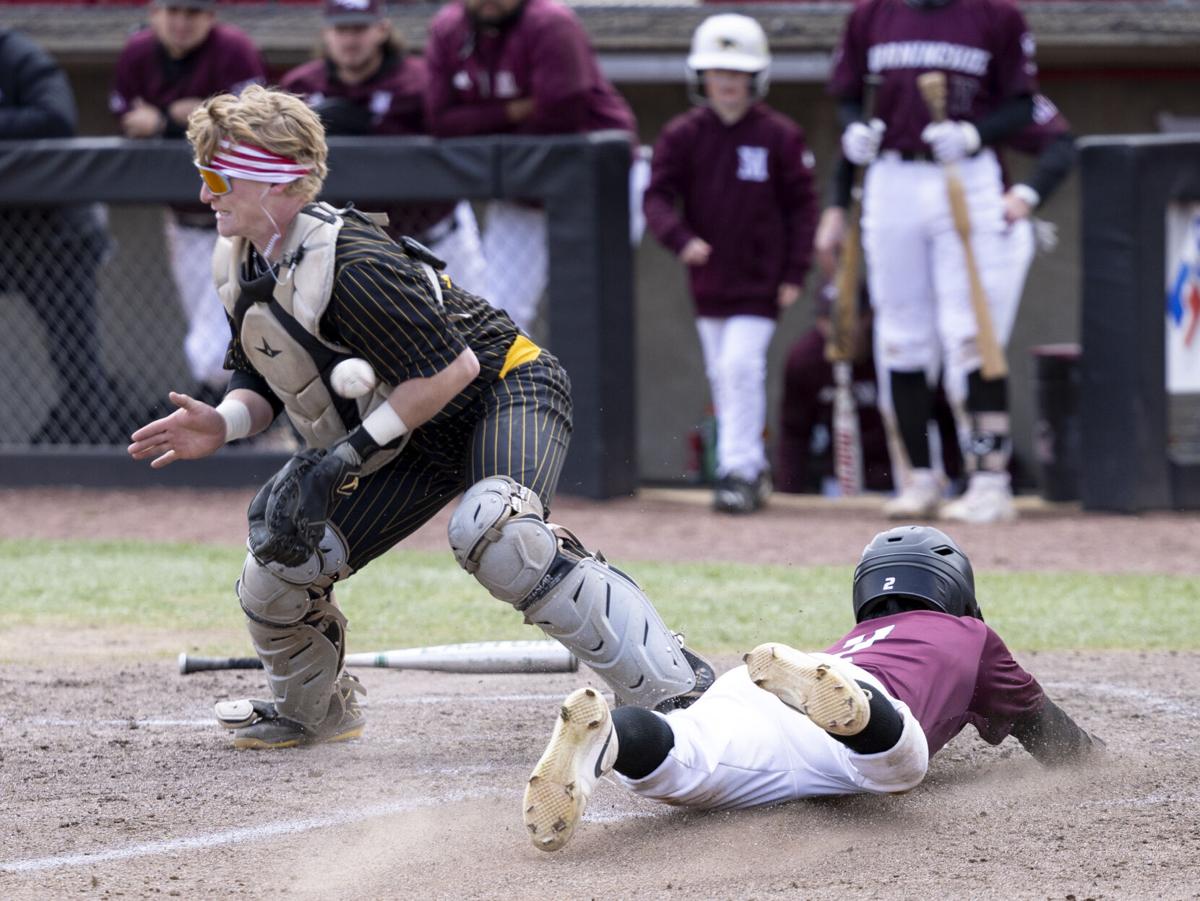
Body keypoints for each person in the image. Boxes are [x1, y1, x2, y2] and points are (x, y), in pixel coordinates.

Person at [125, 85, 713, 749]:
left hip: (502, 387)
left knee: (496, 533)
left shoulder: (352, 260)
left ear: (276, 182)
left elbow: (452, 370)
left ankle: (678, 689)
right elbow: (260, 371)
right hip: (407, 426)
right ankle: (315, 709)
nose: (205, 195)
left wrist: (342, 457)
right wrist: (226, 422)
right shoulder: (242, 259)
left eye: (217, 176)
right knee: (278, 566)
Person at [522, 525, 1103, 852]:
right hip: (849, 703)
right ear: (955, 590)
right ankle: (858, 713)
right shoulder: (970, 634)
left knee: (679, 757)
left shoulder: (856, 636)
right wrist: (1097, 763)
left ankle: (611, 737)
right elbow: (1050, 736)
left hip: (755, 691)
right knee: (900, 765)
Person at [823, 0, 1040, 522]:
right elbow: (848, 95)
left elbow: (1022, 105)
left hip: (963, 173)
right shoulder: (870, 14)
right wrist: (855, 130)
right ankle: (919, 477)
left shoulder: (996, 15)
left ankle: (990, 479)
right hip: (892, 176)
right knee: (902, 335)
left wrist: (973, 134)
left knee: (971, 331)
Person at [809, 91, 1074, 513]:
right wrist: (837, 204)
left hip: (981, 226)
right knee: (901, 347)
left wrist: (1025, 195)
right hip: (907, 221)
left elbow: (1059, 139)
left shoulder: (986, 76)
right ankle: (918, 479)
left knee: (968, 352)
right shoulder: (891, 73)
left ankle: (989, 482)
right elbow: (862, 144)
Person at [643, 14, 818, 514]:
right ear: (702, 77)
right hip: (708, 283)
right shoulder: (682, 135)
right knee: (723, 372)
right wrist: (681, 241)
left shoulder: (780, 136)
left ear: (756, 77)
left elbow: (803, 208)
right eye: (718, 72)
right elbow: (656, 197)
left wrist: (794, 273)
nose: (727, 83)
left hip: (761, 283)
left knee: (741, 365)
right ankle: (748, 469)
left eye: (737, 73)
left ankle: (737, 469)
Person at [423, 0, 638, 334]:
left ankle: (583, 388)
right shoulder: (449, 28)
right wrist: (512, 111)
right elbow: (439, 120)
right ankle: (516, 387)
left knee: (590, 310)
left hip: (595, 183)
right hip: (520, 190)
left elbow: (558, 113)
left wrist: (480, 121)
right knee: (499, 314)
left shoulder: (551, 22)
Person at [111, 0, 266, 406]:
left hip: (246, 224)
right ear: (153, 12)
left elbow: (253, 127)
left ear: (211, 16)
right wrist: (183, 116)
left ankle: (250, 420)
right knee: (211, 345)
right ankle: (243, 425)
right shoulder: (138, 53)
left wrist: (166, 122)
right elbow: (126, 120)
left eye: (193, 12)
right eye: (172, 10)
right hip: (183, 222)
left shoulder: (234, 50)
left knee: (222, 346)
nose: (181, 22)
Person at [280, 0, 488, 296]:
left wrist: (381, 127)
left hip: (435, 236)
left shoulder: (419, 81)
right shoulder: (301, 86)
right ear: (326, 33)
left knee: (476, 328)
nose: (350, 39)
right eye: (341, 29)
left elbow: (454, 132)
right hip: (350, 250)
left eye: (360, 29)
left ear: (382, 30)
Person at [0, 29, 129, 445]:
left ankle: (95, 458)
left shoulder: (19, 56)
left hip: (55, 238)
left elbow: (55, 118)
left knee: (75, 358)